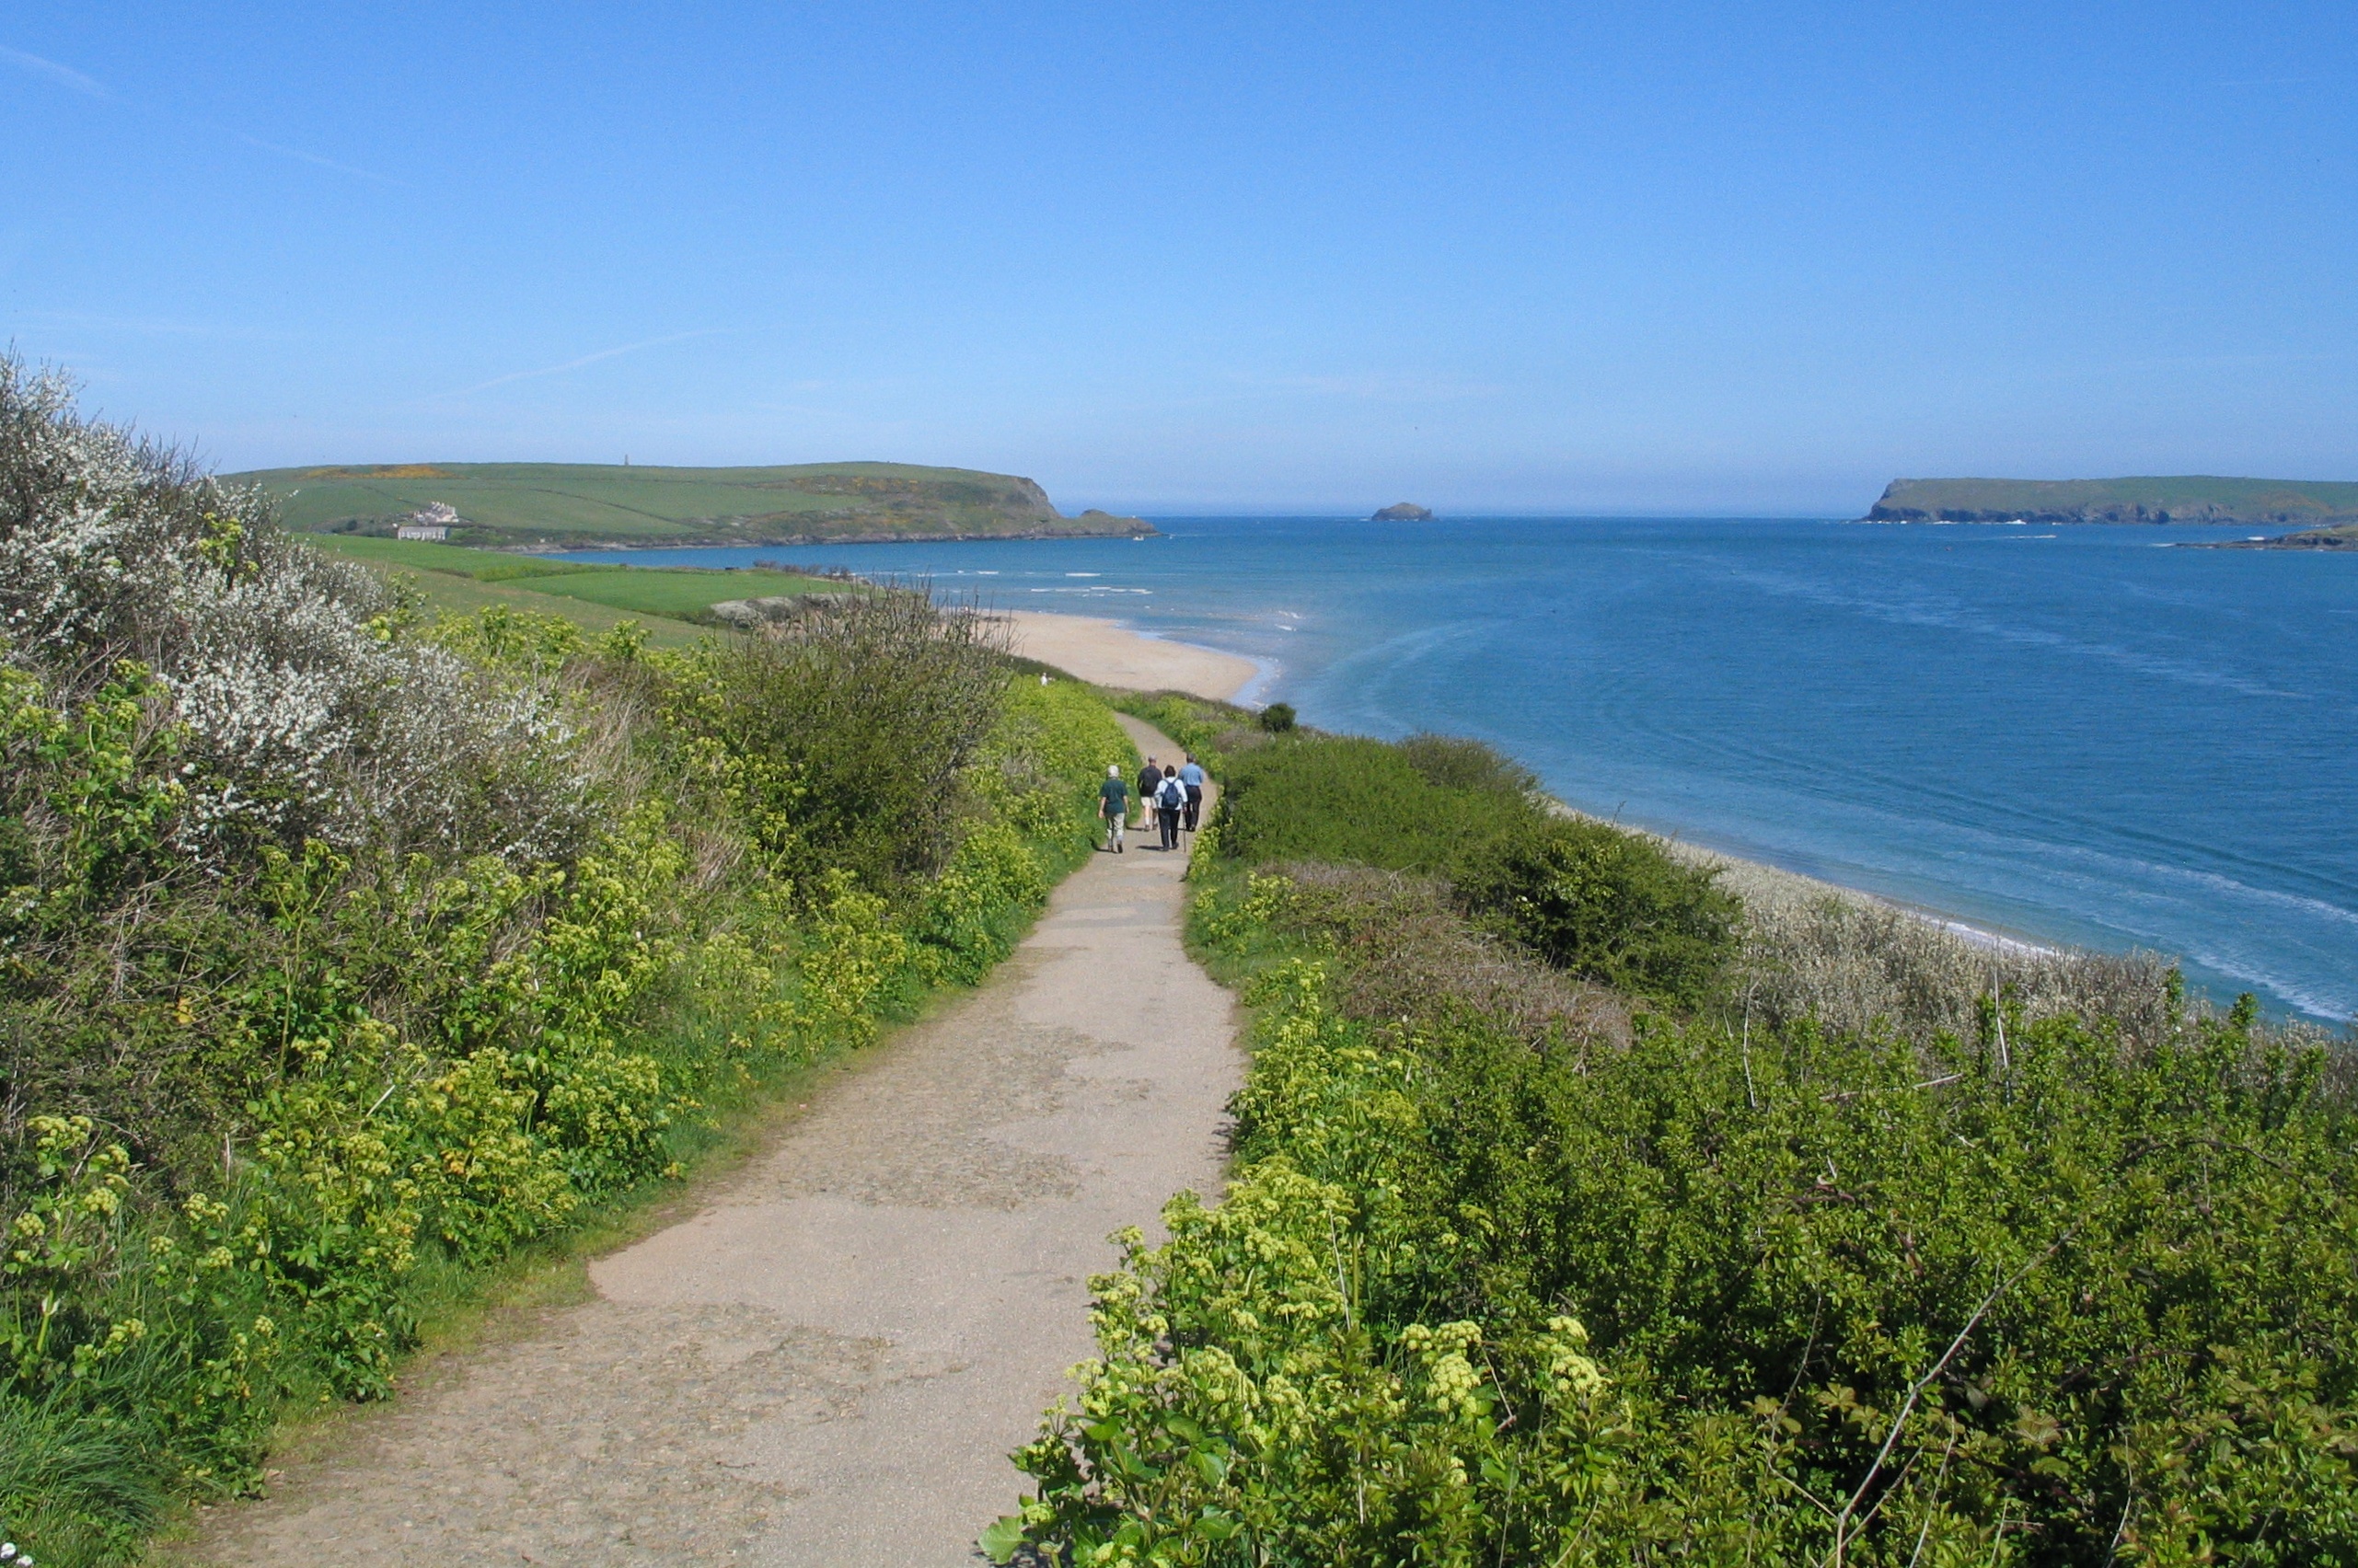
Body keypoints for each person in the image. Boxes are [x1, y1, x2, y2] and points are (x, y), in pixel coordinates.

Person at [1097, 764, 1128, 853]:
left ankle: (1110, 845)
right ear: (1117, 773)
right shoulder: (1121, 784)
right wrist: (1127, 807)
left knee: (1109, 827)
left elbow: (1103, 798)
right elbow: (1125, 797)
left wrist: (1101, 810)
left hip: (1109, 808)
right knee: (1119, 827)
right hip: (1119, 808)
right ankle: (1119, 839)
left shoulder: (1106, 784)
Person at [1155, 768, 1185, 850]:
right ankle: (1174, 842)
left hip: (1163, 807)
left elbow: (1156, 794)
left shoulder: (1162, 782)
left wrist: (1158, 802)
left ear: (1165, 773)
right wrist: (1184, 805)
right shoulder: (1179, 782)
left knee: (1164, 826)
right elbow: (1183, 795)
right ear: (1174, 773)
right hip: (1176, 807)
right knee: (1174, 825)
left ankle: (1166, 845)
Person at [1177, 754, 1207, 832]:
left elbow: (1179, 780)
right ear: (1193, 760)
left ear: (1187, 760)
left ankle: (1188, 823)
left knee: (1186, 807)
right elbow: (1201, 779)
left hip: (1186, 789)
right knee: (1195, 807)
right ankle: (1194, 823)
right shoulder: (1198, 769)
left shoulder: (1183, 769)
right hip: (1195, 789)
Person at [1135, 757, 1162, 833]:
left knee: (1146, 808)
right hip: (1155, 793)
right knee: (1155, 809)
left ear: (1149, 761)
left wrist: (1139, 790)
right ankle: (1154, 823)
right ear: (1155, 761)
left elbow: (1139, 781)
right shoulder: (1157, 772)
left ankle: (1147, 824)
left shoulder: (1144, 771)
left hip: (1144, 792)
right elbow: (1160, 783)